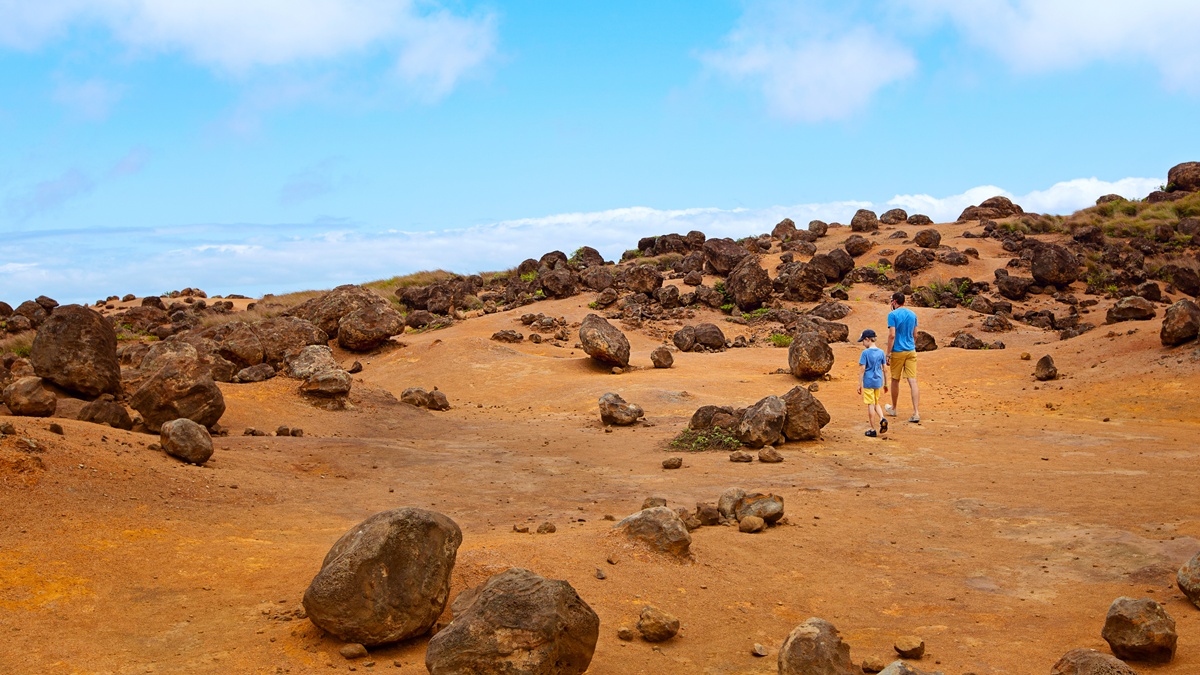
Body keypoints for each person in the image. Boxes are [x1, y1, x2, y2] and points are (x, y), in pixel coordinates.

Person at [885, 291, 921, 422]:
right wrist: (912, 345)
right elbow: (915, 334)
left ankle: (894, 408)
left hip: (898, 351)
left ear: (894, 302)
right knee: (912, 380)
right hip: (911, 350)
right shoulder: (913, 314)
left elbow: (892, 335)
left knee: (895, 379)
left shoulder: (892, 315)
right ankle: (916, 412)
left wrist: (888, 353)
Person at [856, 329, 888, 437]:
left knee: (870, 404)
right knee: (876, 402)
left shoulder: (865, 353)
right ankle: (883, 418)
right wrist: (886, 383)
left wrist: (859, 384)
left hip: (869, 381)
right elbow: (885, 368)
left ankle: (872, 428)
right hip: (878, 380)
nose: (863, 344)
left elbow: (862, 369)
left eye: (863, 341)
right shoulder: (881, 352)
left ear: (867, 339)